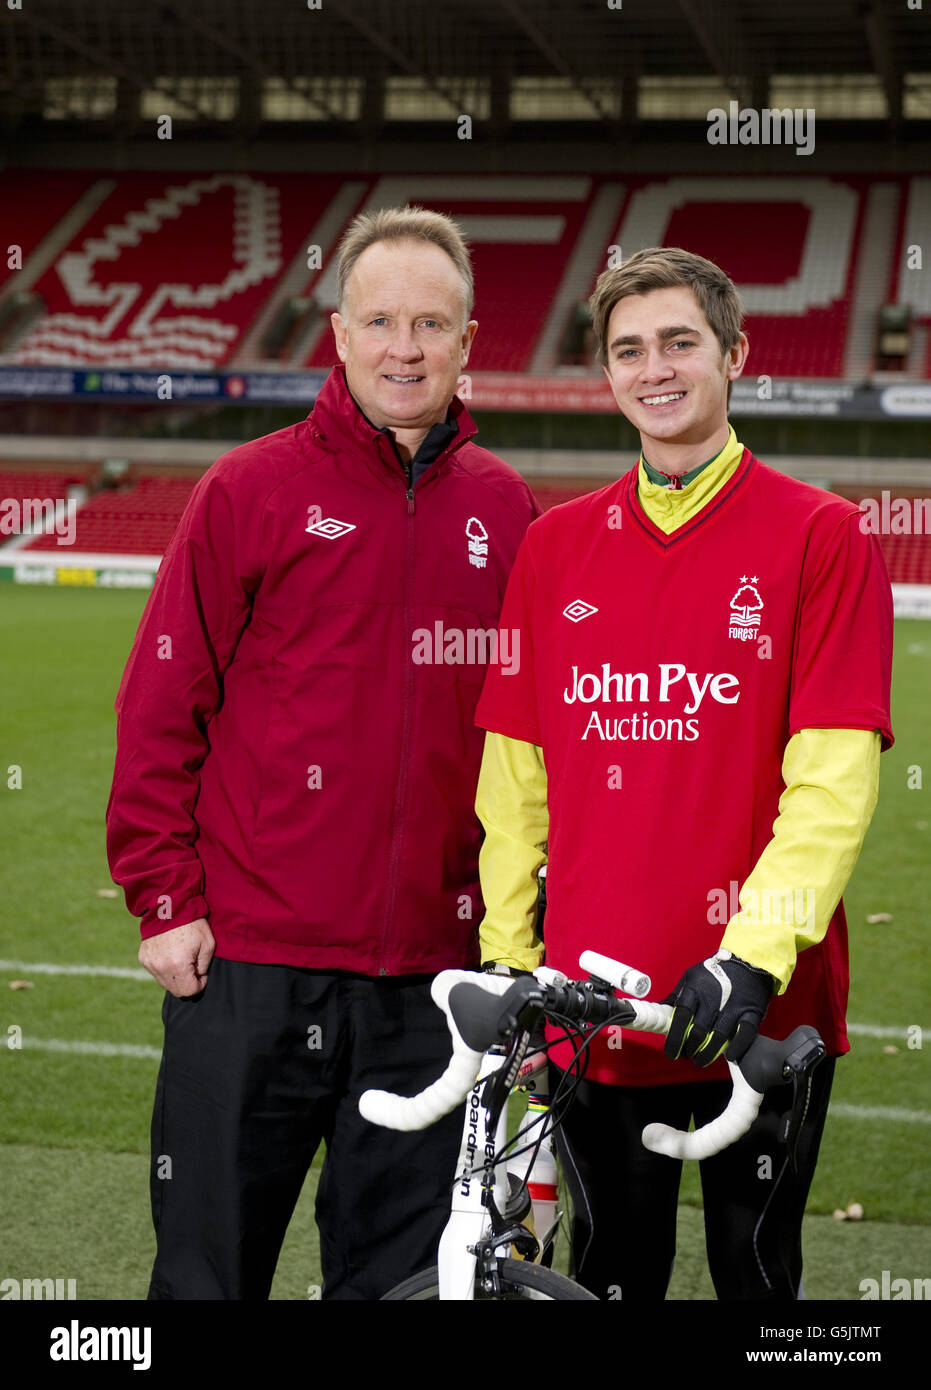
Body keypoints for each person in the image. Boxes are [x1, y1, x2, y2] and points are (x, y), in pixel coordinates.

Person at [106, 205, 540, 1300]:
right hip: (252, 962)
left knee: (400, 1285)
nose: (406, 347)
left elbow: (531, 747)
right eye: (382, 320)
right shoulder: (247, 489)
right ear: (338, 333)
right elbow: (163, 700)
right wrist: (164, 898)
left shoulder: (506, 509)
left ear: (467, 341)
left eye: (430, 324)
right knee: (207, 1273)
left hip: (427, 983)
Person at [473, 246, 893, 1300]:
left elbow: (832, 782)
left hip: (758, 1009)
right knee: (608, 1274)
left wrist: (748, 957)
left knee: (757, 1279)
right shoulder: (554, 546)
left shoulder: (822, 535)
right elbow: (516, 781)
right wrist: (509, 958)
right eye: (626, 350)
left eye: (677, 342)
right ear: (604, 373)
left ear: (734, 355)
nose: (652, 368)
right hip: (589, 1011)